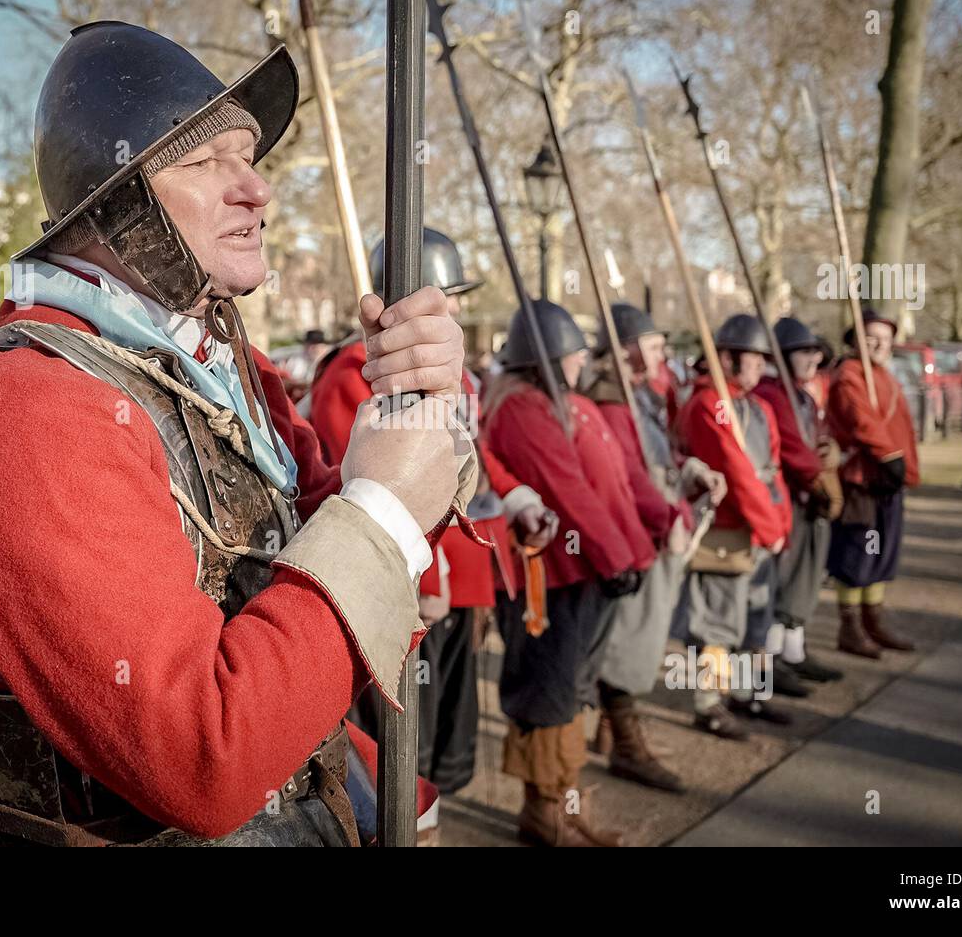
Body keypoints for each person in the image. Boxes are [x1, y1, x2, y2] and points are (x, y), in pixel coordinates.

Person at [0, 21, 472, 847]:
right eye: (205, 162)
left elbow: (327, 531)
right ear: (116, 200)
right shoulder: (25, 413)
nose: (257, 190)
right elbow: (204, 762)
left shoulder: (221, 363)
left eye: (250, 157)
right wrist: (380, 514)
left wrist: (423, 409)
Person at [308, 229, 559, 803]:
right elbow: (388, 487)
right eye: (449, 297)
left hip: (466, 573)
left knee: (449, 731)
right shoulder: (358, 372)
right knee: (403, 752)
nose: (460, 311)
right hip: (418, 583)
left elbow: (464, 448)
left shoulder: (455, 371)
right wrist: (432, 576)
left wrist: (516, 498)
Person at [484, 298, 647, 846]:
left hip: (580, 571)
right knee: (548, 692)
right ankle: (543, 809)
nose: (582, 364)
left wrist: (626, 553)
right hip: (547, 576)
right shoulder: (521, 410)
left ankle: (566, 799)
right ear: (550, 361)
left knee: (572, 689)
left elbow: (609, 485)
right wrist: (615, 556)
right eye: (573, 355)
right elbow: (566, 491)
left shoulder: (558, 403)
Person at [584, 303, 724, 792]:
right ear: (627, 349)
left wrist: (689, 472)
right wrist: (668, 514)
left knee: (641, 634)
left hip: (656, 523)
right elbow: (627, 475)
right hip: (636, 530)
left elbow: (658, 458)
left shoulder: (641, 396)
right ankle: (625, 744)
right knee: (630, 639)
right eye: (653, 344)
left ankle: (613, 731)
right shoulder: (609, 401)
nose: (663, 352)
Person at [675, 314, 792, 739]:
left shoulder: (757, 406)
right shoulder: (707, 404)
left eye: (764, 358)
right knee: (718, 623)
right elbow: (736, 470)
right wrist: (769, 525)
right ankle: (709, 702)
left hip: (762, 527)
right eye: (752, 358)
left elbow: (771, 469)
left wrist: (780, 523)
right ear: (726, 358)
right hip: (727, 529)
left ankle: (748, 692)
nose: (761, 366)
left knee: (756, 614)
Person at [754, 318, 843, 689]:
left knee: (807, 575)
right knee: (784, 580)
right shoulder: (773, 395)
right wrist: (817, 478)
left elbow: (818, 438)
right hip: (788, 496)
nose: (813, 358)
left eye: (815, 352)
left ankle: (794, 650)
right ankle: (773, 659)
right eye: (805, 352)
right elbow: (791, 448)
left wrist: (830, 453)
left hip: (810, 497)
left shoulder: (802, 394)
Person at [826, 308, 920, 657]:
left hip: (886, 481)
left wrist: (904, 467)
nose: (879, 343)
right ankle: (850, 626)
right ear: (855, 342)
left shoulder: (885, 376)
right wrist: (889, 457)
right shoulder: (849, 376)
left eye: (885, 337)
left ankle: (873, 620)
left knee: (882, 553)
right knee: (857, 554)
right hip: (862, 480)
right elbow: (863, 422)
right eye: (870, 337)